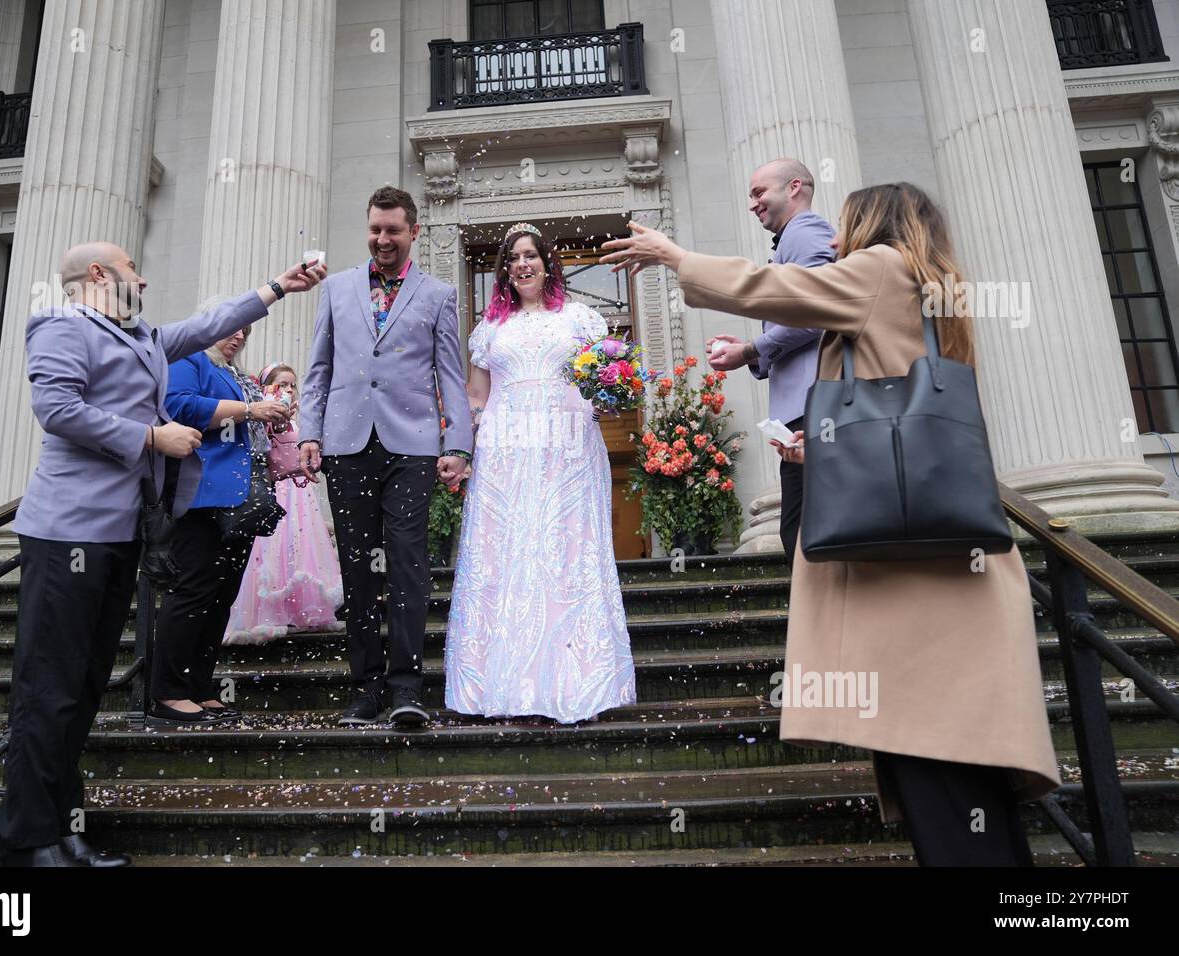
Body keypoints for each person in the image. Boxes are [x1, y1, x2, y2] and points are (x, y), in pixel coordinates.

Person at [600, 183, 1060, 866]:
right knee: (963, 772)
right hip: (951, 567)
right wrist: (827, 443)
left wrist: (675, 255)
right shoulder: (936, 288)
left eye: (845, 228)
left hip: (908, 581)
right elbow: (907, 417)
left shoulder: (879, 270)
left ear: (870, 225)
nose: (836, 243)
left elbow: (773, 287)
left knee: (928, 757)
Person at [0, 241, 324, 867]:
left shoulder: (141, 336)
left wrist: (277, 288)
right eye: (131, 269)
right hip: (68, 530)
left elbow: (206, 325)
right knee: (50, 686)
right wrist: (151, 435)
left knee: (85, 685)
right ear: (98, 274)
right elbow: (57, 409)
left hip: (122, 533)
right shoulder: (62, 326)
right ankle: (26, 842)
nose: (142, 279)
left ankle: (61, 829)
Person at [444, 223, 636, 724]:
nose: (523, 264)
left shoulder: (579, 318)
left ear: (547, 263)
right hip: (505, 450)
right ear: (505, 270)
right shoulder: (489, 330)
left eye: (531, 255)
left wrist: (614, 395)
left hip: (567, 448)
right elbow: (477, 398)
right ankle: (503, 684)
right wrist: (462, 447)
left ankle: (578, 682)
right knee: (508, 551)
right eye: (514, 258)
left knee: (567, 550)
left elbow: (602, 381)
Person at [298, 186, 473, 728]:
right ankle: (365, 688)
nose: (382, 239)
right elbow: (318, 368)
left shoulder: (439, 295)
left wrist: (459, 444)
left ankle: (406, 687)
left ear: (413, 231)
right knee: (357, 567)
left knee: (407, 562)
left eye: (393, 230)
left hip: (413, 447)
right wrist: (310, 432)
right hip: (347, 445)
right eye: (375, 229)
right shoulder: (338, 288)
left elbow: (450, 375)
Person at [149, 324, 293, 724]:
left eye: (245, 331)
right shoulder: (189, 357)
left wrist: (272, 417)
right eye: (232, 328)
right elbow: (178, 406)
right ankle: (169, 691)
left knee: (221, 595)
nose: (239, 336)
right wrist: (250, 410)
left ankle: (199, 686)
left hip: (239, 496)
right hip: (200, 492)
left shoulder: (235, 373)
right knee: (192, 590)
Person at [705, 159, 835, 563]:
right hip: (804, 411)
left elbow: (817, 311)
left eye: (759, 192)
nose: (753, 203)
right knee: (800, 529)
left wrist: (749, 350)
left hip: (815, 407)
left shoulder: (806, 231)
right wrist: (751, 350)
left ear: (794, 187)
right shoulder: (793, 238)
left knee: (804, 530)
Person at [224, 363, 345, 644]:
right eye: (281, 385)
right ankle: (268, 612)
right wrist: (272, 417)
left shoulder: (294, 420)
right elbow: (260, 447)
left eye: (292, 385)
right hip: (276, 490)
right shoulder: (264, 415)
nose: (289, 390)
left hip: (299, 492)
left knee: (300, 550)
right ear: (266, 387)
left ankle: (301, 609)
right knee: (272, 551)